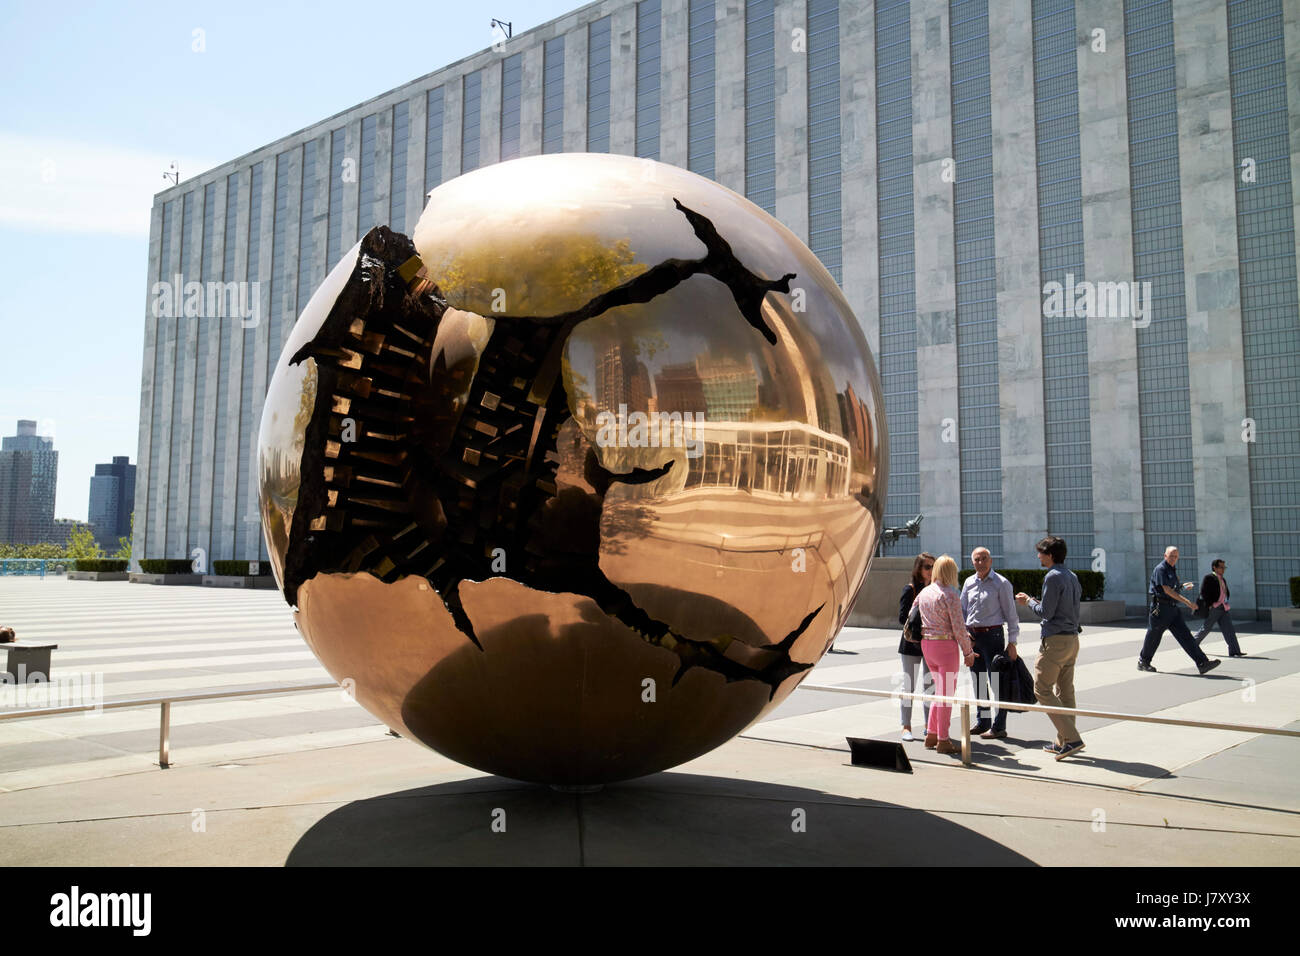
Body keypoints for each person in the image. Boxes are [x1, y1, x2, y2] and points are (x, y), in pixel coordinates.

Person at [1015, 536, 1085, 760]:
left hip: (1055, 641)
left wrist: (1029, 602)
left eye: (1041, 552)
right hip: (1072, 639)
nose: (1038, 556)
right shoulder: (1071, 576)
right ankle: (1063, 741)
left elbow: (1046, 612)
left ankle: (1071, 738)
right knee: (1065, 691)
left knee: (1042, 689)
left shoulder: (1053, 577)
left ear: (1051, 555)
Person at [915, 554, 976, 755]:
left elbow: (911, 615)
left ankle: (931, 734)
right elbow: (959, 627)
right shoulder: (950, 594)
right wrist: (968, 651)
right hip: (945, 646)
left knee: (938, 692)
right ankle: (943, 739)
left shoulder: (924, 592)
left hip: (927, 645)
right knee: (946, 695)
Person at [960, 547, 1020, 739]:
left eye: (984, 558)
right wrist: (963, 633)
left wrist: (1012, 643)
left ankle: (999, 726)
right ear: (972, 562)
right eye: (977, 559)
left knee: (997, 682)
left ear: (991, 561)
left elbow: (1011, 615)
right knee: (978, 681)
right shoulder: (969, 582)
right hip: (972, 637)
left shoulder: (1001, 583)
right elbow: (962, 610)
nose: (980, 562)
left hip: (993, 636)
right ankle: (983, 721)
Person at [1138, 546, 1220, 675]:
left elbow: (1172, 587)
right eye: (1171, 556)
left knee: (1186, 636)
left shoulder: (1171, 569)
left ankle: (1202, 663)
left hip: (1172, 609)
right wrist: (1188, 602)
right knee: (1154, 636)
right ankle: (1144, 662)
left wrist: (1182, 586)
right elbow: (1167, 590)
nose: (1173, 558)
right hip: (1160, 609)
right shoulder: (1161, 569)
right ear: (1165, 555)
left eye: (1176, 556)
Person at [897, 552, 936, 741]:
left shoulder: (937, 589)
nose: (930, 571)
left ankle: (929, 726)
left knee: (930, 686)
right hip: (911, 644)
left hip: (931, 644)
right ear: (918, 569)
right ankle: (906, 726)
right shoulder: (910, 589)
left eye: (933, 567)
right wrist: (921, 626)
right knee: (909, 686)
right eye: (927, 567)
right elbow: (902, 618)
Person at [1195, 559, 1244, 657]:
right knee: (1206, 628)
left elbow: (1225, 591)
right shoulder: (1209, 578)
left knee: (1229, 629)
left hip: (1224, 607)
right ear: (1215, 567)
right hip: (1215, 607)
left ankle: (1235, 651)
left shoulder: (1222, 579)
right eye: (1221, 567)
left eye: (1224, 567)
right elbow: (1204, 592)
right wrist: (1210, 604)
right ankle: (1192, 645)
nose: (1223, 569)